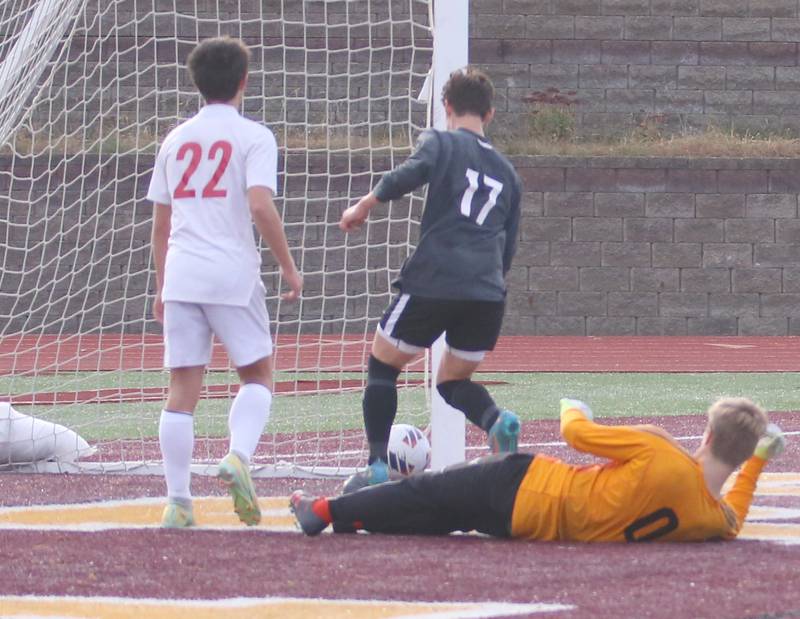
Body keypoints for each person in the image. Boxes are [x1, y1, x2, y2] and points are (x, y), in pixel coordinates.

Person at [338, 67, 523, 491]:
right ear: (490, 114)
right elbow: (508, 247)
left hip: (435, 279)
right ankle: (497, 420)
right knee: (452, 381)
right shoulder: (509, 174)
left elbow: (410, 172)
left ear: (446, 107)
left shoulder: (439, 141)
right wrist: (487, 284)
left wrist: (364, 205)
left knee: (382, 367)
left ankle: (377, 467)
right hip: (487, 291)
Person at [147, 37, 302, 528]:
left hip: (182, 274)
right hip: (232, 273)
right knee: (257, 375)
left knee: (181, 391)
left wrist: (160, 284)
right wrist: (288, 264)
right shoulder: (254, 136)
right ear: (243, 82)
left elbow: (160, 224)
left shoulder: (174, 140)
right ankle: (237, 456)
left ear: (197, 83)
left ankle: (178, 503)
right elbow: (259, 205)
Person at [290, 397, 786, 542]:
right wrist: (758, 464)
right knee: (437, 518)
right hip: (530, 527)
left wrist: (575, 406)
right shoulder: (712, 521)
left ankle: (323, 508)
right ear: (740, 456)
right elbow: (735, 513)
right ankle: (353, 517)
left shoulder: (662, 451)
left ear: (709, 437)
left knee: (424, 493)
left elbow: (576, 435)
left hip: (528, 482)